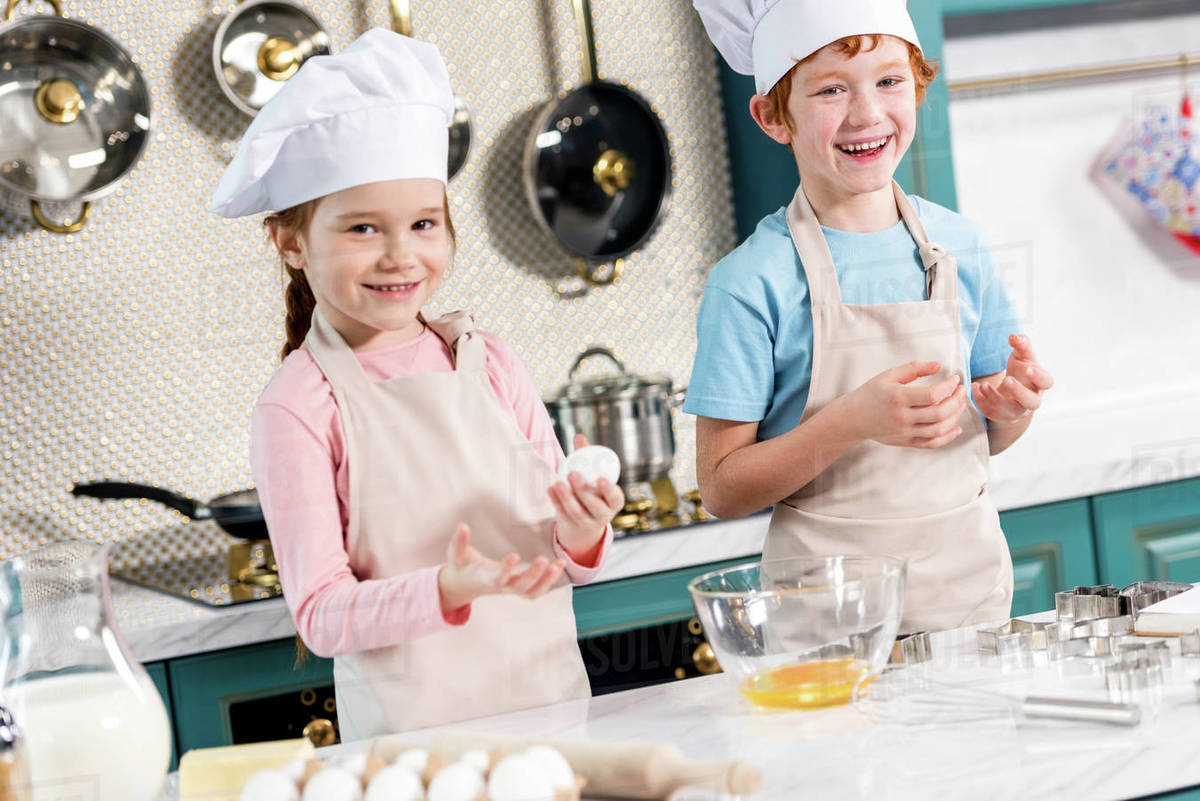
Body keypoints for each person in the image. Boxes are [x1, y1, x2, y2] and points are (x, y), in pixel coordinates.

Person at [210, 29, 624, 739]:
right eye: (363, 229)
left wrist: (584, 530)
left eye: (424, 223)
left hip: (554, 725)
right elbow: (321, 614)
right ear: (290, 241)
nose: (401, 255)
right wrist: (444, 590)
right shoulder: (299, 405)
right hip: (414, 754)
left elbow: (565, 558)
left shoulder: (491, 363)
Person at [686, 0, 1054, 632]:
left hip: (969, 609)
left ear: (917, 89)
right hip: (827, 628)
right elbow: (722, 489)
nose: (867, 114)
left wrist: (1010, 408)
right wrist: (851, 421)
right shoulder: (749, 284)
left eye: (889, 81)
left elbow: (988, 435)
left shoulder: (960, 246)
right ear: (773, 116)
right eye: (831, 89)